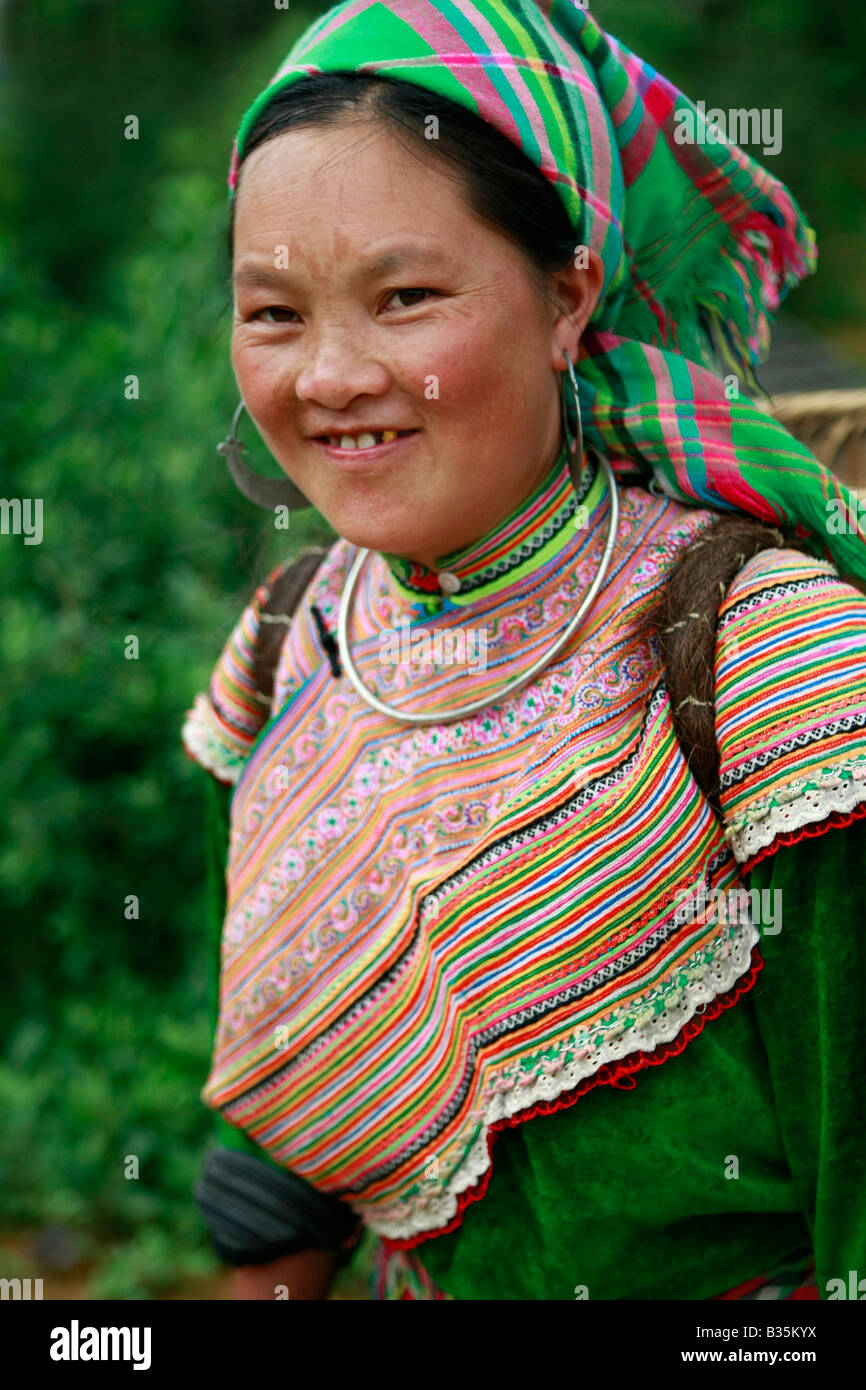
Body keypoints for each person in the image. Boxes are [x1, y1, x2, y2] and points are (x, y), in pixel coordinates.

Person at [181, 0, 866, 1300]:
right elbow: (287, 1097)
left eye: (405, 297)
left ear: (566, 296)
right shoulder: (293, 646)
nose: (327, 375)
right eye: (273, 313)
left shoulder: (769, 667)